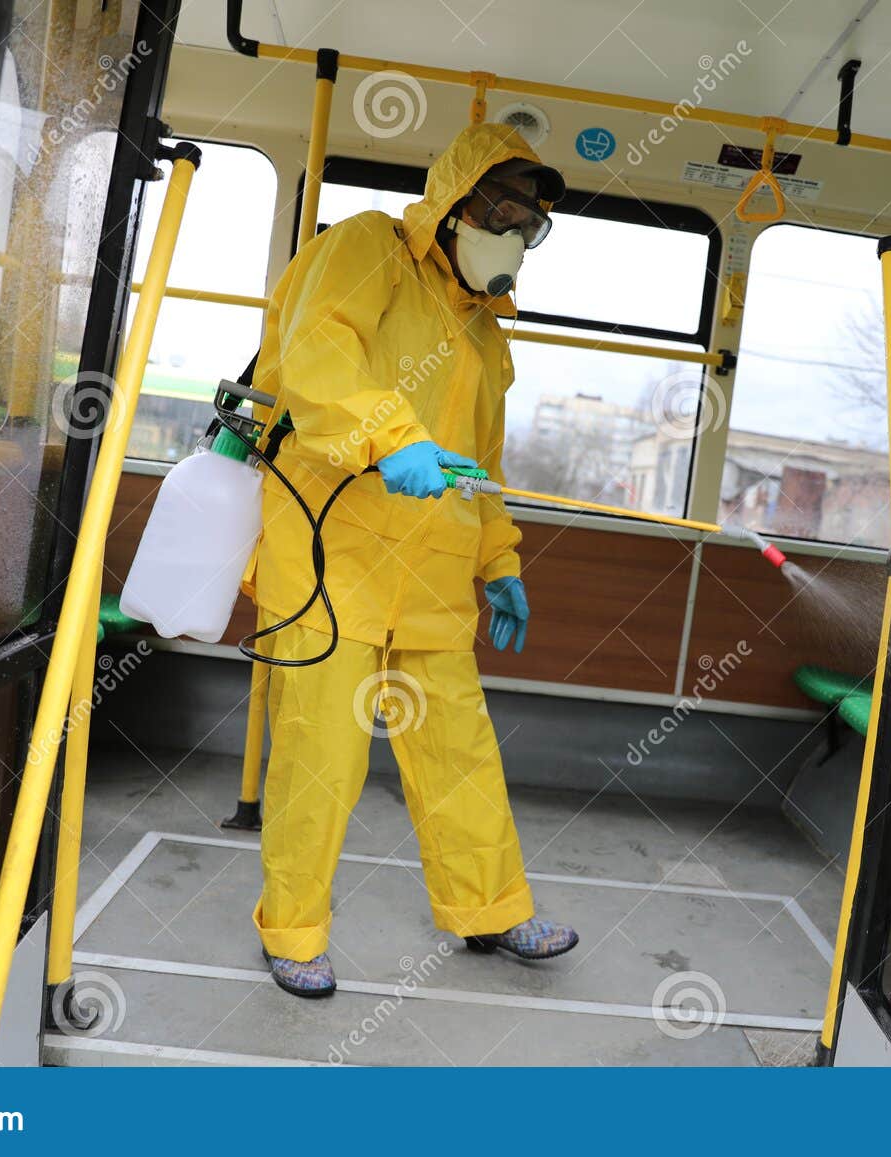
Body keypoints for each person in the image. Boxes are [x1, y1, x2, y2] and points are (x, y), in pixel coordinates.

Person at [242, 123, 578, 997]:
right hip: (330, 553)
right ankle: (294, 928)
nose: (511, 232)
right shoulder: (367, 249)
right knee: (323, 752)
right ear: (454, 202)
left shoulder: (487, 341)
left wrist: (500, 558)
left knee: (458, 747)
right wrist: (389, 438)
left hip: (431, 567)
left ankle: (491, 909)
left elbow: (484, 467)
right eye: (499, 208)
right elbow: (318, 354)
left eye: (528, 223)